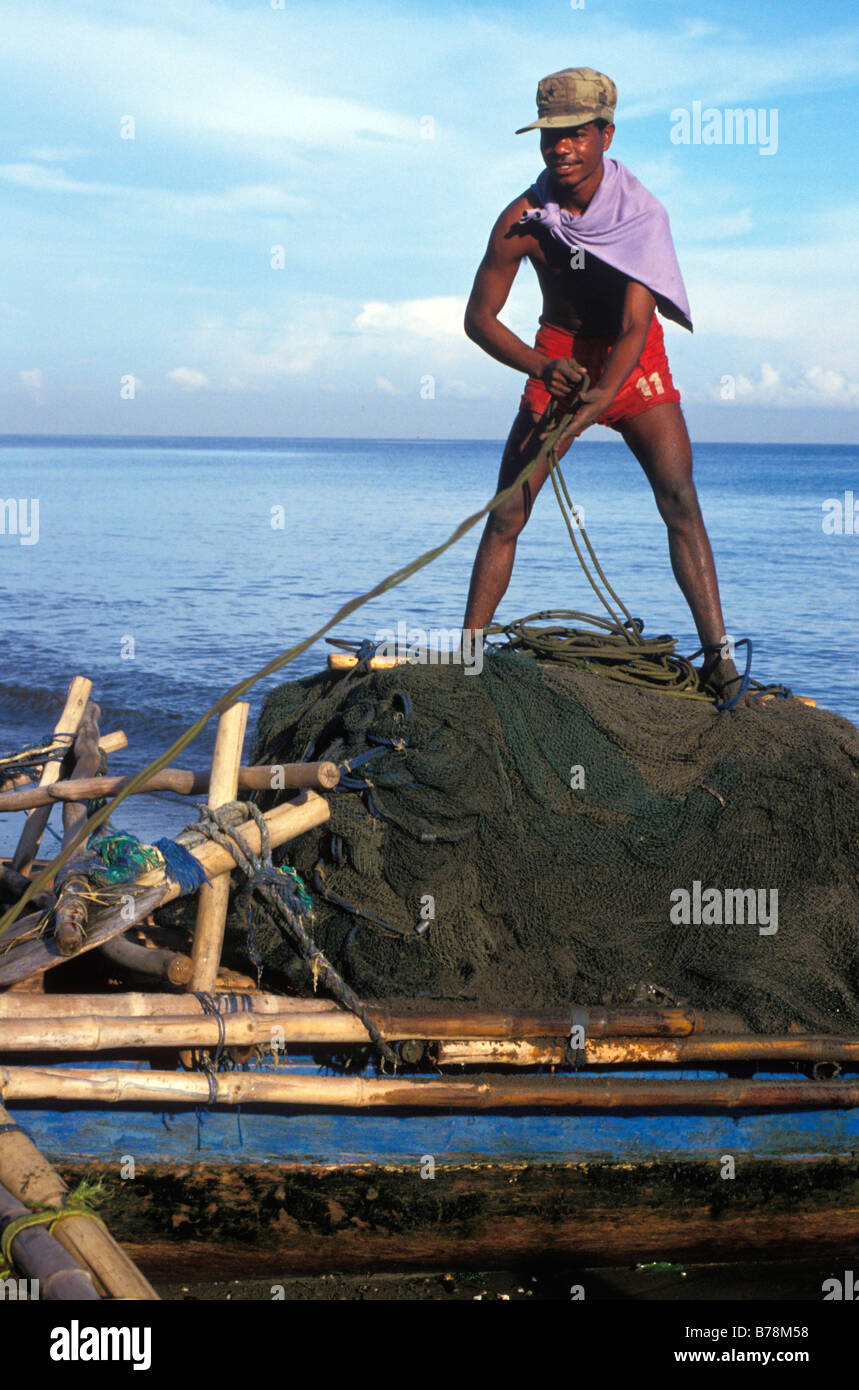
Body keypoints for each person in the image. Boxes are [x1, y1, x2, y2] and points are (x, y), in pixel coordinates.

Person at [462, 66, 746, 705]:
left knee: (678, 495)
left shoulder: (640, 215)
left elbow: (634, 324)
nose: (560, 146)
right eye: (548, 136)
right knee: (508, 508)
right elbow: (478, 319)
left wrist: (598, 400)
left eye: (574, 133)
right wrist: (543, 369)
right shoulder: (525, 220)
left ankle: (721, 663)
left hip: (632, 359)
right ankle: (469, 659)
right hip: (558, 354)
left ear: (605, 135)